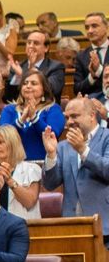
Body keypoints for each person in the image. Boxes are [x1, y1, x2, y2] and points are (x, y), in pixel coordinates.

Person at [41, 97, 109, 243]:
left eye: (74, 116)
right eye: (67, 117)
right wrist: (51, 155)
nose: (69, 122)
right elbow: (50, 184)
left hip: (104, 226)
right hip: (72, 227)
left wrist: (83, 150)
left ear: (92, 115)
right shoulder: (63, 146)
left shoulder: (107, 137)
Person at [0, 69, 65, 161]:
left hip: (44, 164)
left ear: (44, 89)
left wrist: (34, 118)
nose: (28, 86)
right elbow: (2, 134)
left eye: (34, 83)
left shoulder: (53, 109)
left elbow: (52, 134)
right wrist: (20, 121)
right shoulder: (9, 110)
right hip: (13, 164)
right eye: (25, 83)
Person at [0, 125, 42, 221]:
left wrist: (10, 181)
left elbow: (29, 202)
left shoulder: (31, 169)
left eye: (0, 142)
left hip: (24, 225)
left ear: (13, 143)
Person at [5, 29, 66, 103]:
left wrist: (24, 75)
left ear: (46, 48)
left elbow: (52, 91)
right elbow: (8, 97)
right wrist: (18, 77)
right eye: (29, 42)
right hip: (20, 110)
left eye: (36, 43)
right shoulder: (17, 66)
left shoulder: (56, 67)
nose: (31, 46)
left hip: (46, 110)